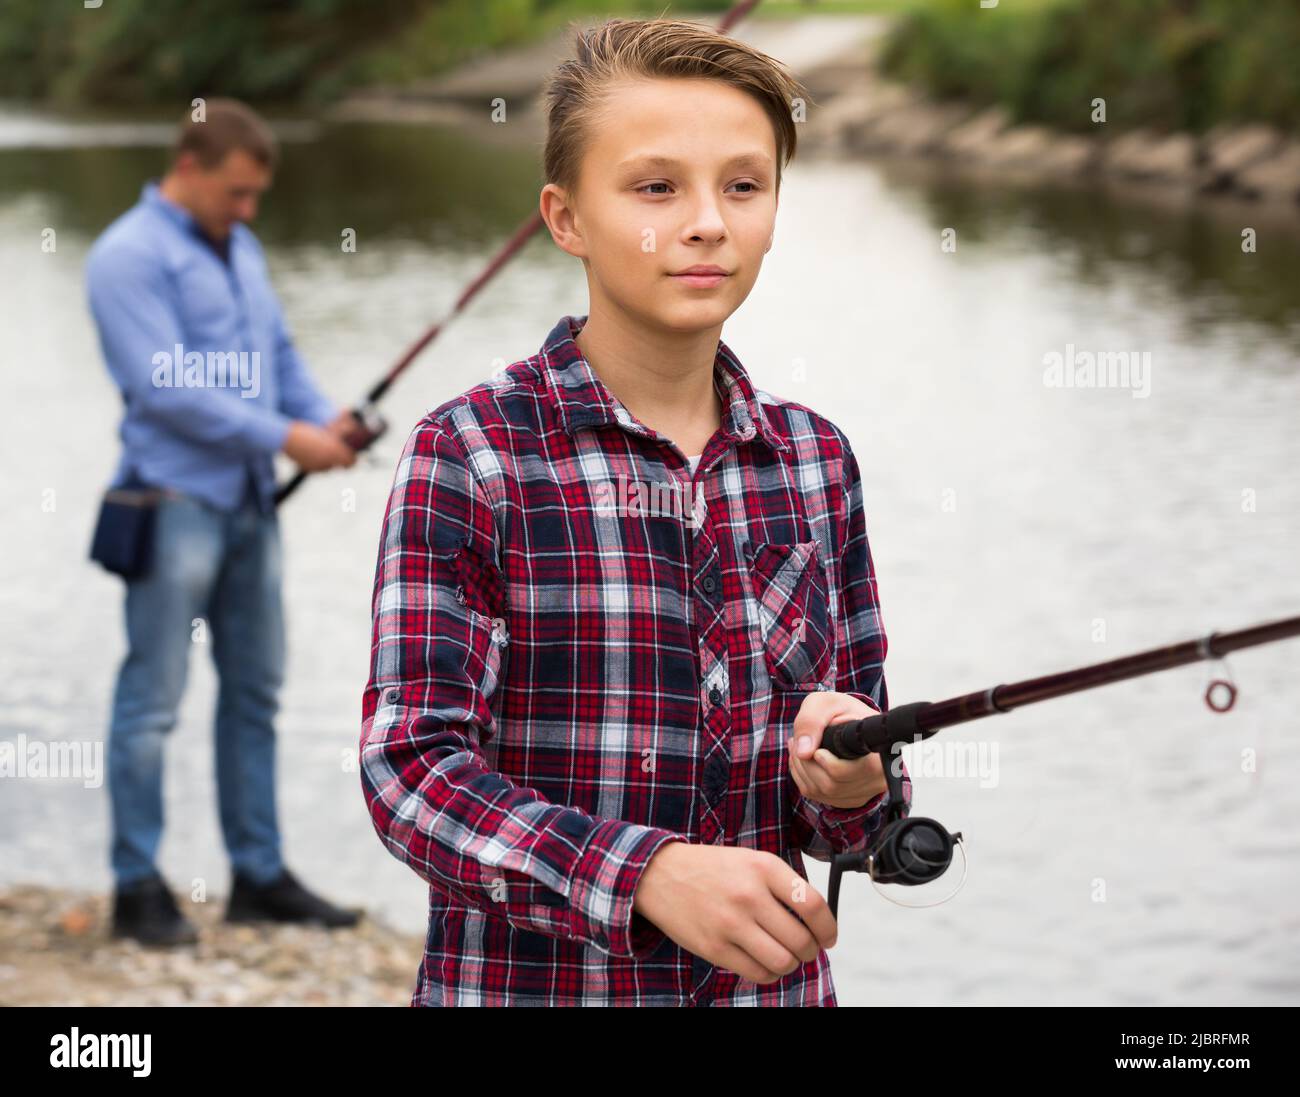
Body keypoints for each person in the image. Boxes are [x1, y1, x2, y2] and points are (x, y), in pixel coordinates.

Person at [359, 17, 911, 1006]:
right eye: (656, 186)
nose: (707, 222)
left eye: (742, 185)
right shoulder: (471, 455)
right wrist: (646, 872)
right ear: (565, 219)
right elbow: (411, 773)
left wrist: (858, 785)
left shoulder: (816, 460)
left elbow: (862, 809)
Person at [87, 98, 361, 946]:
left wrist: (327, 420)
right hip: (172, 507)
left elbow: (276, 359)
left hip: (249, 508)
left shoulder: (239, 247)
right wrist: (289, 438)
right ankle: (136, 886)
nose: (248, 213)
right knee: (153, 703)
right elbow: (165, 390)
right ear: (191, 165)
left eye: (256, 199)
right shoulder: (124, 256)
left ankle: (259, 874)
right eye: (237, 194)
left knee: (256, 695)